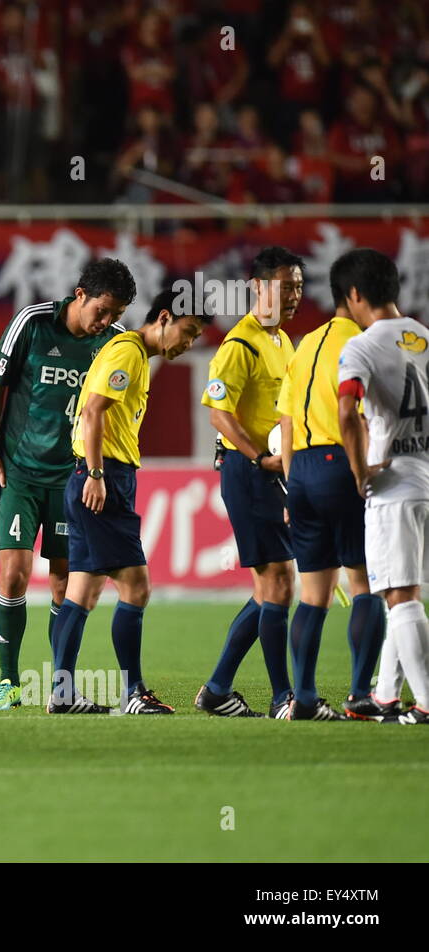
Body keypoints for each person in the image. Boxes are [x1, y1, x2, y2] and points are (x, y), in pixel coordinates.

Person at [0, 259, 133, 711]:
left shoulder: (114, 343)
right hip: (20, 473)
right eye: (102, 311)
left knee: (65, 582)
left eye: (115, 315)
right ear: (80, 294)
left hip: (72, 477)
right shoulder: (32, 321)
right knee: (13, 574)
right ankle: (7, 683)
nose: (106, 322)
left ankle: (61, 686)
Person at [50, 290, 210, 713]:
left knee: (81, 591)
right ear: (163, 317)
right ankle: (133, 692)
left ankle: (61, 693)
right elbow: (94, 412)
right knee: (136, 587)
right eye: (188, 331)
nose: (188, 342)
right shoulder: (128, 352)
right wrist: (99, 474)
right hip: (102, 478)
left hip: (92, 476)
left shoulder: (128, 353)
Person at [263, 283, 383, 721]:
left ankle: (305, 698)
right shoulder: (363, 343)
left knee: (313, 594)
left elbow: (286, 421)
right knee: (364, 583)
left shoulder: (305, 344)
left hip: (304, 473)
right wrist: (360, 469)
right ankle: (359, 695)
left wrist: (293, 487)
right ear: (358, 299)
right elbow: (359, 413)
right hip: (342, 463)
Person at [199, 246, 302, 719]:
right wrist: (260, 456)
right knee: (277, 583)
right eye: (285, 287)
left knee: (272, 587)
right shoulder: (239, 344)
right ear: (258, 288)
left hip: (274, 470)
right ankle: (284, 696)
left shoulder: (283, 342)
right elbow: (219, 413)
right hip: (249, 470)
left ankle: (219, 689)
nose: (294, 295)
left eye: (299, 286)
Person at [336, 248, 429, 726]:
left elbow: (347, 409)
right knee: (405, 590)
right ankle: (386, 696)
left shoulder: (362, 347)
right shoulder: (424, 337)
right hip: (426, 478)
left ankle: (427, 704)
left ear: (355, 294)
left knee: (400, 595)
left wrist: (358, 469)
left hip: (392, 484)